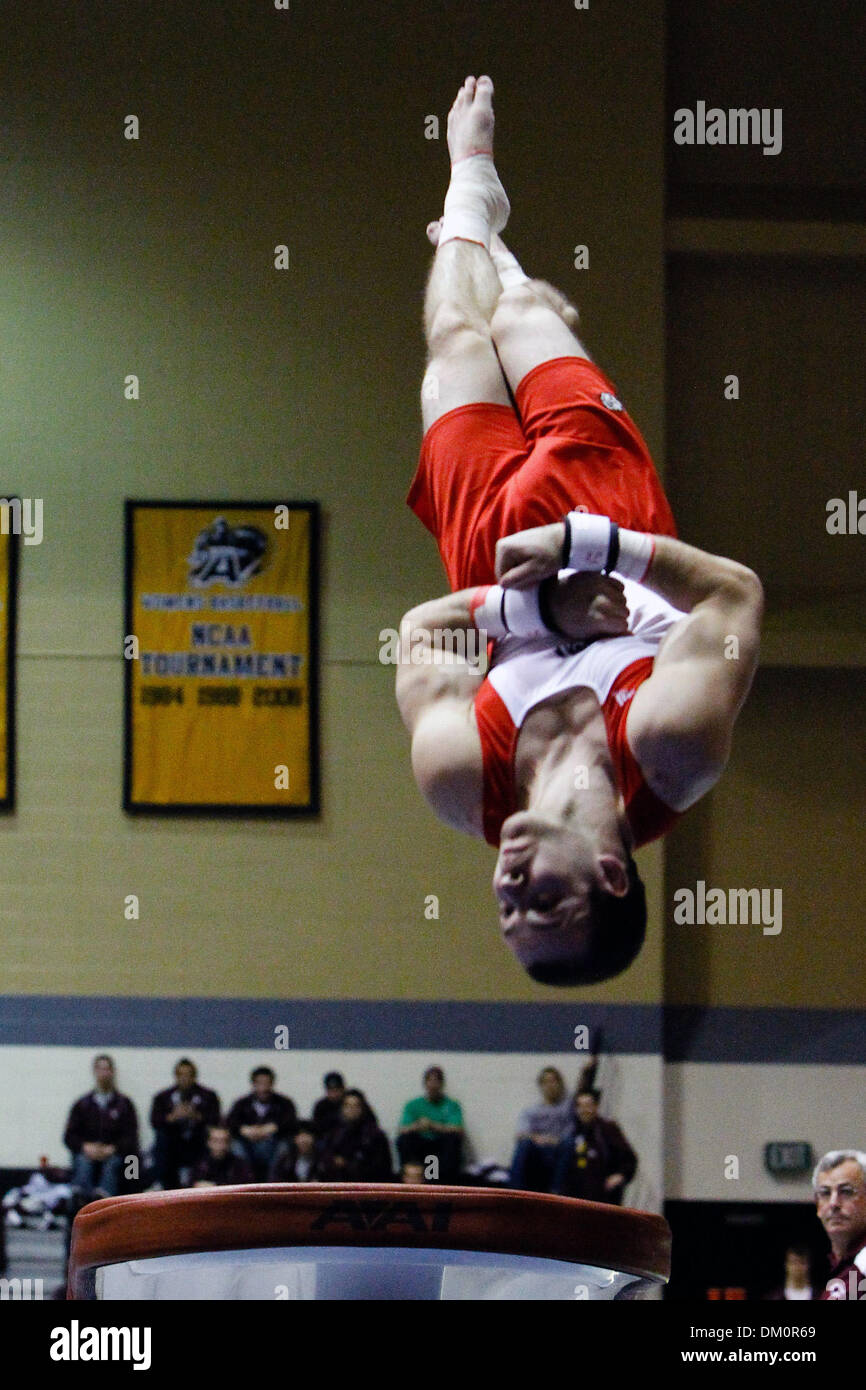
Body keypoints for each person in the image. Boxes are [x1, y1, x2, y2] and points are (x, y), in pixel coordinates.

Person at [396, 75, 763, 985]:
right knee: (519, 318)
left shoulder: (458, 781)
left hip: (488, 548)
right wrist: (584, 550)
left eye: (508, 912)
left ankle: (471, 188)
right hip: (601, 514)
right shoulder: (673, 743)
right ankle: (507, 272)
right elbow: (734, 593)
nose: (512, 889)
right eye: (545, 904)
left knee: (454, 338)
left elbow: (418, 633)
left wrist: (545, 617)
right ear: (610, 873)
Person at [63, 1055, 139, 1197]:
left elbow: (132, 1136)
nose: (103, 1073)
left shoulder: (125, 1104)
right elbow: (69, 1136)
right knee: (82, 1161)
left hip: (115, 1152)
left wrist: (113, 1148)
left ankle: (104, 1196)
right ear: (94, 1071)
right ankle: (81, 1197)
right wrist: (85, 1146)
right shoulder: (82, 1104)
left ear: (112, 1072)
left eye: (107, 1069)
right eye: (100, 1069)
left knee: (127, 1161)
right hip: (88, 1152)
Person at [551, 1088, 636, 1203]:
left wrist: (620, 1175)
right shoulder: (572, 1134)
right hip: (577, 1195)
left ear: (595, 1107)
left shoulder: (608, 1129)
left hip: (604, 1194)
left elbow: (629, 1158)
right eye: (580, 1106)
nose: (584, 1110)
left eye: (588, 1105)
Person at [149, 1058, 221, 1189]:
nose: (184, 1078)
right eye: (181, 1075)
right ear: (175, 1076)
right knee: (161, 1140)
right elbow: (155, 1122)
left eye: (188, 1075)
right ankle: (164, 1185)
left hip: (198, 1141)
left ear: (194, 1076)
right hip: (173, 1142)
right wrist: (172, 1117)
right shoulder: (162, 1097)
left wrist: (197, 1116)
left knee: (214, 1141)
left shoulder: (208, 1096)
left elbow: (216, 1120)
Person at [226, 1067, 297, 1180]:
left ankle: (273, 1184)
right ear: (253, 1084)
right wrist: (244, 1130)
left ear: (272, 1084)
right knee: (235, 1147)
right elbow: (230, 1122)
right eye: (259, 1083)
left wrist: (274, 1127)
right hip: (248, 1146)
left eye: (267, 1083)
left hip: (273, 1145)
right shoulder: (241, 1103)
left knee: (284, 1147)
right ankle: (246, 1183)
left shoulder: (284, 1103)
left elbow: (291, 1122)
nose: (263, 1088)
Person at [508, 1066, 572, 1192]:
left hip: (557, 1151)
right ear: (541, 1085)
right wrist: (539, 1139)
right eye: (546, 1082)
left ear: (560, 1084)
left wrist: (552, 1141)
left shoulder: (567, 1109)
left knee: (570, 1143)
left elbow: (569, 1135)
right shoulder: (531, 1111)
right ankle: (514, 1193)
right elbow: (520, 1135)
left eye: (553, 1081)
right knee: (524, 1145)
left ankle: (556, 1192)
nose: (550, 1085)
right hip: (536, 1152)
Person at [813, 1150, 866, 1299]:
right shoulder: (840, 1269)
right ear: (817, 1205)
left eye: (846, 1192)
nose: (833, 1203)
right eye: (825, 1193)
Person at [397, 1067, 464, 1183]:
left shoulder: (452, 1105)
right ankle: (411, 1176)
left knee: (451, 1141)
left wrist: (433, 1126)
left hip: (439, 1147)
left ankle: (436, 1181)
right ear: (425, 1083)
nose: (433, 1085)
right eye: (430, 1081)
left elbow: (458, 1129)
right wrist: (418, 1125)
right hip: (420, 1146)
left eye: (436, 1081)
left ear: (442, 1084)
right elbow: (403, 1129)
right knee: (404, 1140)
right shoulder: (413, 1104)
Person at [315, 1090, 392, 1182]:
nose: (351, 1109)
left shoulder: (374, 1135)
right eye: (347, 1105)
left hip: (366, 1184)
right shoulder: (333, 1132)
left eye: (356, 1106)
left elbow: (380, 1166)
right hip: (337, 1184)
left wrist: (348, 1164)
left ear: (362, 1108)